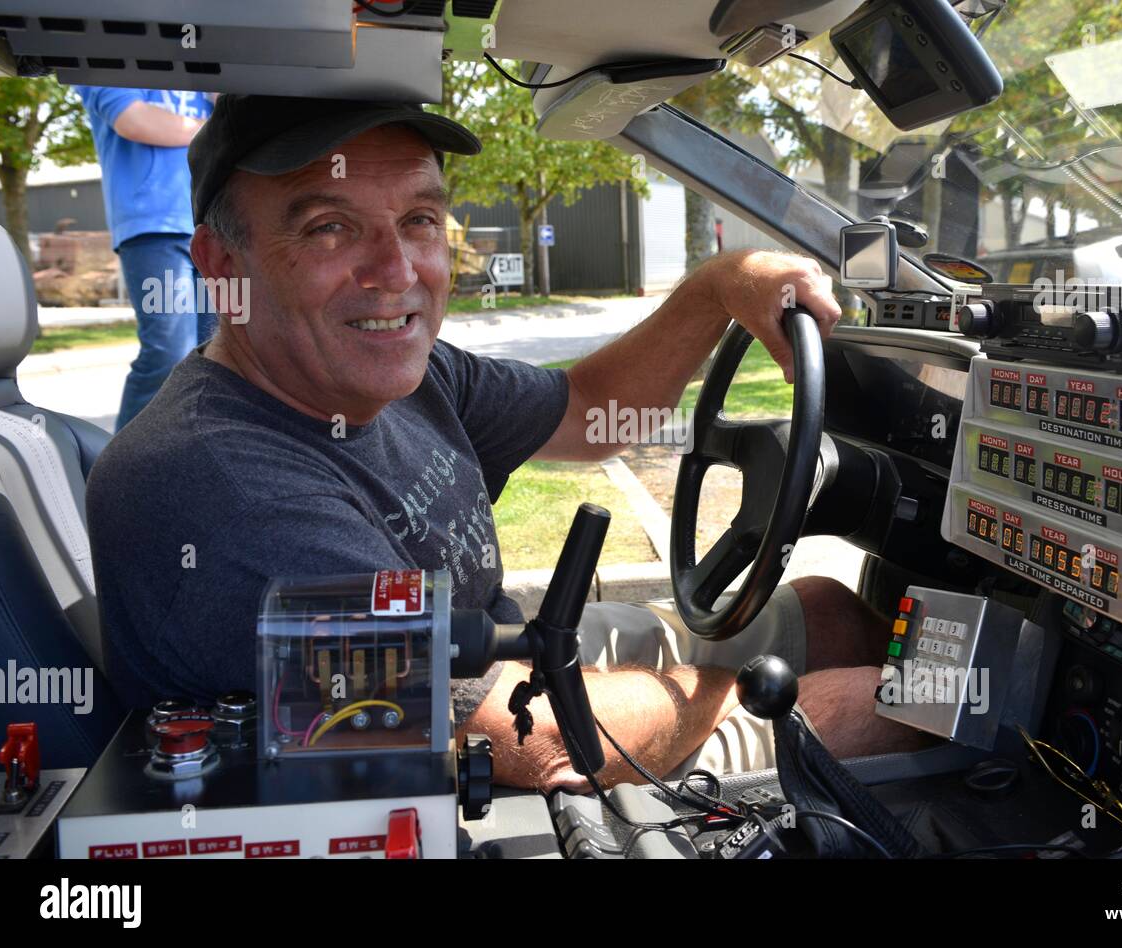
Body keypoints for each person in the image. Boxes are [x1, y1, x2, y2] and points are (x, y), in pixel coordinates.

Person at [86, 95, 930, 792]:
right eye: (327, 229)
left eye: (420, 219)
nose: (398, 270)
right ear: (218, 263)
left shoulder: (404, 378)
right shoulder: (221, 486)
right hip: (492, 759)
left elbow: (596, 407)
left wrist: (719, 287)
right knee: (917, 700)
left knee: (822, 609)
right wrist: (729, 685)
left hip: (511, 663)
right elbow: (519, 744)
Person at [77, 87, 215, 430]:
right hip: (156, 224)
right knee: (169, 352)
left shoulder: (202, 52)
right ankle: (120, 471)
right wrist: (217, 128)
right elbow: (135, 120)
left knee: (219, 355)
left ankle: (195, 458)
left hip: (216, 224)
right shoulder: (109, 51)